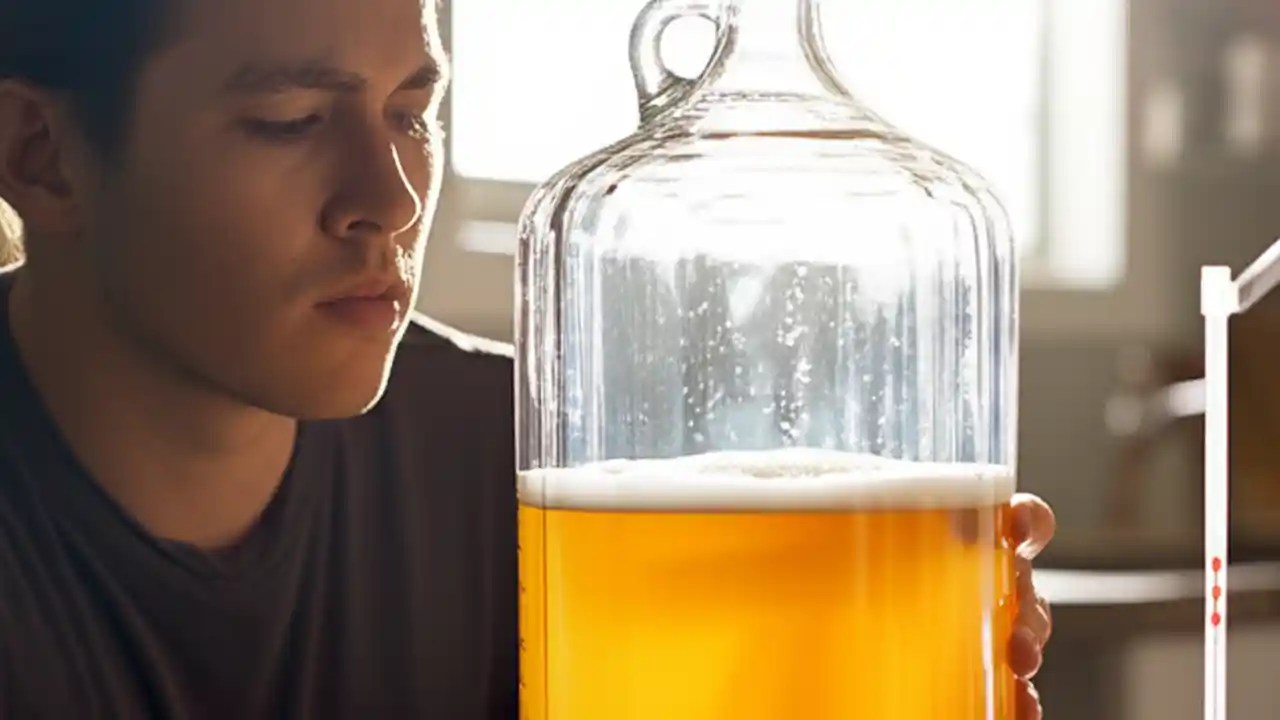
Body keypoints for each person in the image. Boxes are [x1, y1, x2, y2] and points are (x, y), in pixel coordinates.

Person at [0, 0, 1056, 717]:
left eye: (412, 115)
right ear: (42, 158)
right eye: (289, 121)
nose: (394, 196)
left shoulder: (519, 462)